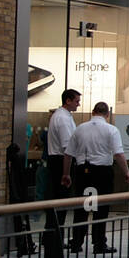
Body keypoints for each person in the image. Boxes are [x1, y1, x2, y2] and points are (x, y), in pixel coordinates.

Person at [64, 102, 129, 254]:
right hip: (102, 173)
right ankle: (99, 243)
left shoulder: (80, 128)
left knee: (82, 208)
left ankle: (76, 242)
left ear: (93, 112)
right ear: (107, 114)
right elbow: (118, 154)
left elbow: (68, 154)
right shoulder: (111, 130)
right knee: (101, 208)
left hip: (83, 171)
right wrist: (126, 172)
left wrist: (66, 174)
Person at [45, 88, 81, 233]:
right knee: (61, 199)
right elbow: (68, 148)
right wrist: (66, 172)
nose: (78, 104)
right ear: (68, 100)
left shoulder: (62, 116)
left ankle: (52, 232)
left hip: (57, 160)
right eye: (76, 101)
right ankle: (54, 233)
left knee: (58, 198)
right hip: (61, 162)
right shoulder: (63, 119)